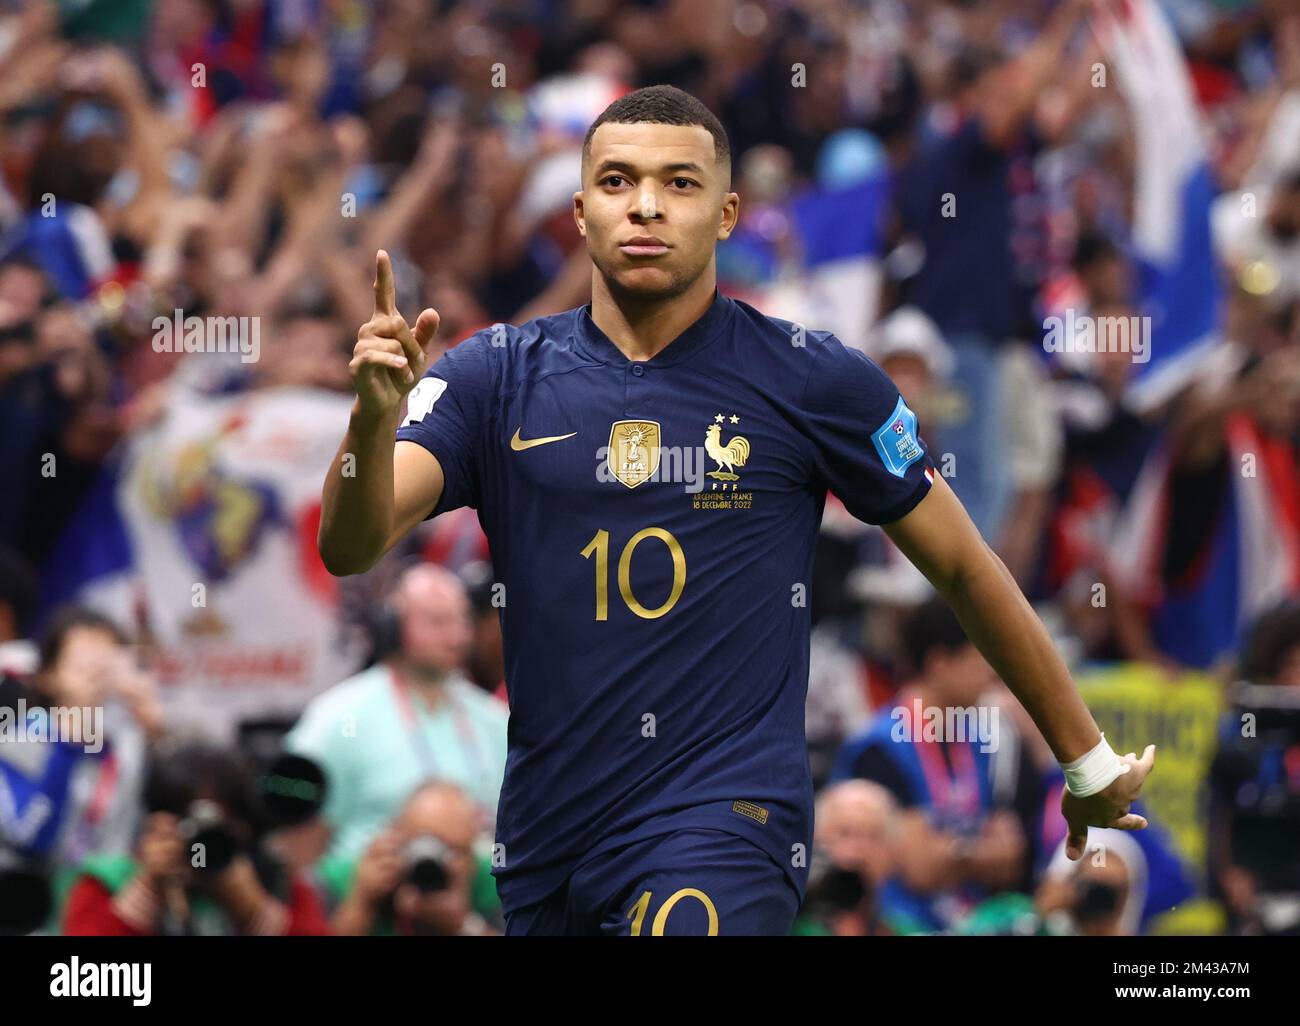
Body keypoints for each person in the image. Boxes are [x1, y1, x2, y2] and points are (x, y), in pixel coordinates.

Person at [317, 85, 1156, 936]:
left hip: (726, 827)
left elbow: (964, 566)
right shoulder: (493, 378)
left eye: (679, 184)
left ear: (725, 215)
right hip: (548, 841)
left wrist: (1084, 759)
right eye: (617, 182)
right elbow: (353, 543)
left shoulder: (811, 379)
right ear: (579, 211)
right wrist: (372, 421)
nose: (645, 204)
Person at [284, 563, 507, 861]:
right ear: (392, 626)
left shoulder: (494, 719)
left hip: (479, 898)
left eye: (462, 620)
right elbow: (302, 841)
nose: (455, 637)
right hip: (369, 895)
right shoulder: (338, 719)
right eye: (438, 622)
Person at [319, 780, 499, 936]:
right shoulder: (347, 878)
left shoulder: (495, 882)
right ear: (395, 836)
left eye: (454, 852)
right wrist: (362, 903)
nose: (434, 862)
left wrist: (464, 925)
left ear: (473, 848)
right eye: (424, 845)